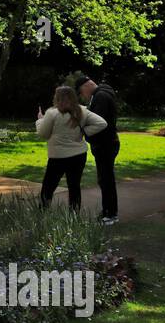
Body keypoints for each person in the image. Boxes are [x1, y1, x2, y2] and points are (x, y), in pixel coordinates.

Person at [35, 85, 107, 213]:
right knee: (74, 186)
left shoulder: (52, 113)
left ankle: (42, 214)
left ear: (57, 98)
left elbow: (43, 134)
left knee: (48, 187)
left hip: (58, 157)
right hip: (79, 155)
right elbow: (102, 123)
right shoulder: (82, 111)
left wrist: (40, 120)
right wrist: (84, 132)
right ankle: (74, 216)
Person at [75, 74, 120, 224]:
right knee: (105, 179)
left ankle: (110, 214)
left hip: (106, 144)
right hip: (107, 143)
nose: (83, 96)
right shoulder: (101, 94)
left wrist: (83, 130)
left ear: (87, 86)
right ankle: (108, 211)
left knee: (106, 180)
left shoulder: (100, 96)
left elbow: (99, 122)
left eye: (81, 92)